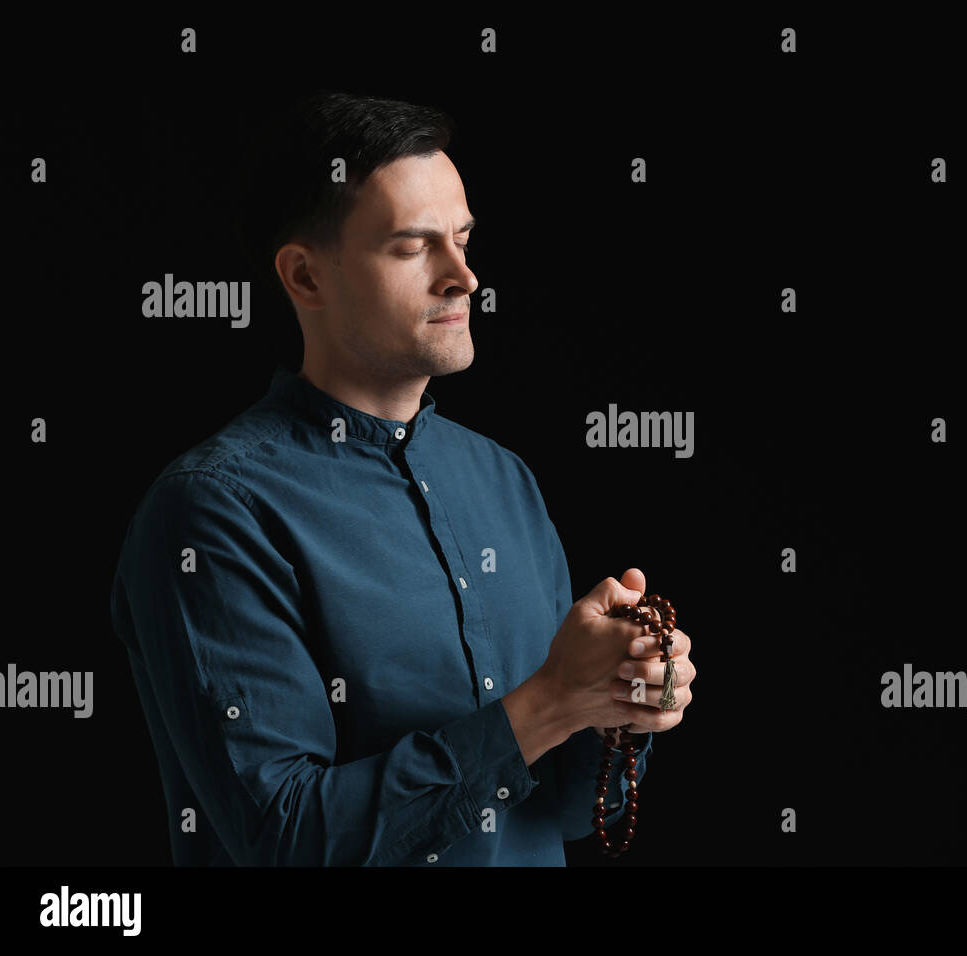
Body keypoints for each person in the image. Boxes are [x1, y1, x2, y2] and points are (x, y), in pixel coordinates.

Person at [108, 90, 696, 866]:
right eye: (414, 247)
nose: (464, 277)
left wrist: (617, 700)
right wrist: (549, 703)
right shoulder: (212, 512)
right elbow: (288, 840)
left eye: (463, 239)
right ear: (305, 277)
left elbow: (560, 813)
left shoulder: (504, 480)